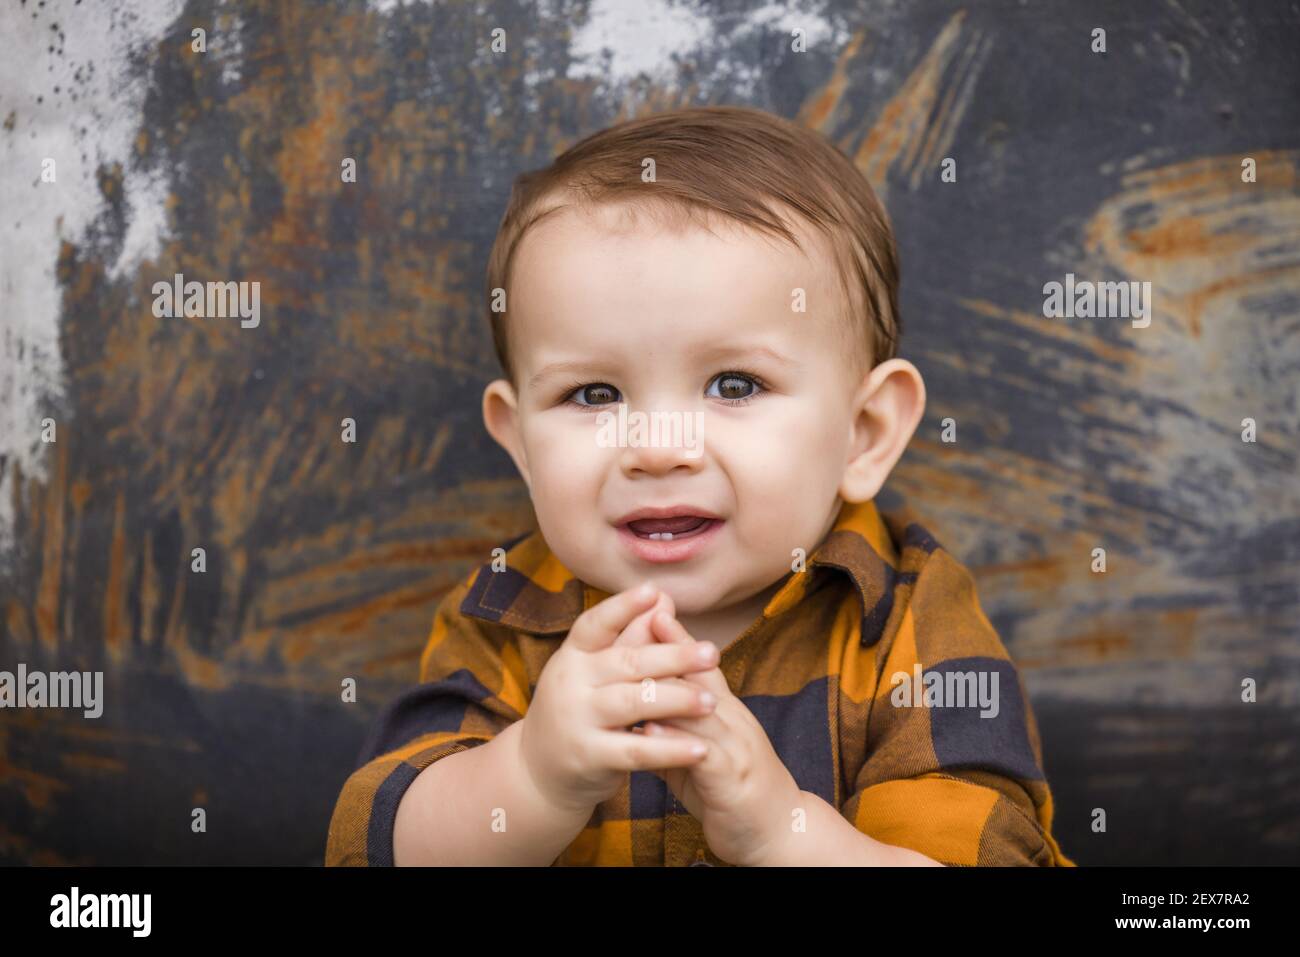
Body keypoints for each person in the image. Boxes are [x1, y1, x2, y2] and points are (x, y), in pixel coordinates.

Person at [325, 105, 1074, 867]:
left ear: (866, 432)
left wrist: (781, 831)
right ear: (521, 444)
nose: (657, 449)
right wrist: (529, 777)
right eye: (593, 394)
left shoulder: (908, 623)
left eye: (735, 383)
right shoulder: (503, 616)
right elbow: (378, 848)